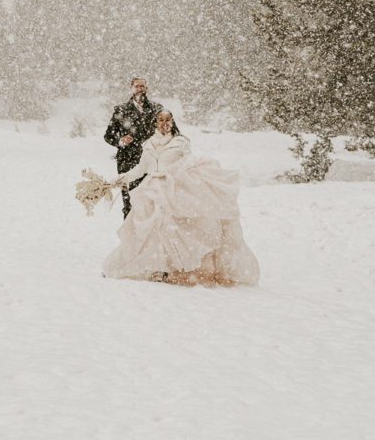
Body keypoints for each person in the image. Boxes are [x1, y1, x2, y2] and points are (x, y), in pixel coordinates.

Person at [103, 108, 260, 286]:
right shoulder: (147, 144)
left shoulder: (181, 143)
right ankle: (158, 266)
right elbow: (141, 169)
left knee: (174, 228)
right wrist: (118, 180)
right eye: (161, 120)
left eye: (168, 119)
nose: (165, 123)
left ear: (173, 122)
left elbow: (188, 165)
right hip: (151, 191)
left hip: (172, 190)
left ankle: (177, 268)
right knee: (152, 230)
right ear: (154, 123)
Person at [103, 77, 161, 219]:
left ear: (146, 88)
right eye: (136, 86)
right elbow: (108, 135)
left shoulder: (156, 109)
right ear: (131, 88)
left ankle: (150, 238)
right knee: (129, 202)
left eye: (142, 86)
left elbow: (166, 131)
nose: (139, 89)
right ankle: (131, 237)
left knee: (151, 201)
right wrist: (120, 141)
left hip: (151, 161)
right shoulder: (121, 110)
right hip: (127, 161)